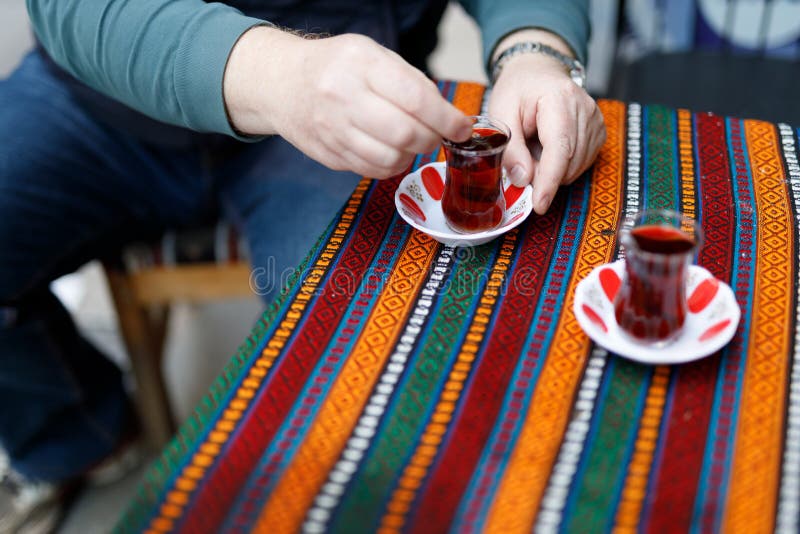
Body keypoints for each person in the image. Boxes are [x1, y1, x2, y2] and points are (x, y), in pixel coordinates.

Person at [0, 0, 605, 530]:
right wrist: (275, 73)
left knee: (383, 351)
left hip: (352, 113)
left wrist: (535, 49)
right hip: (105, 91)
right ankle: (76, 436)